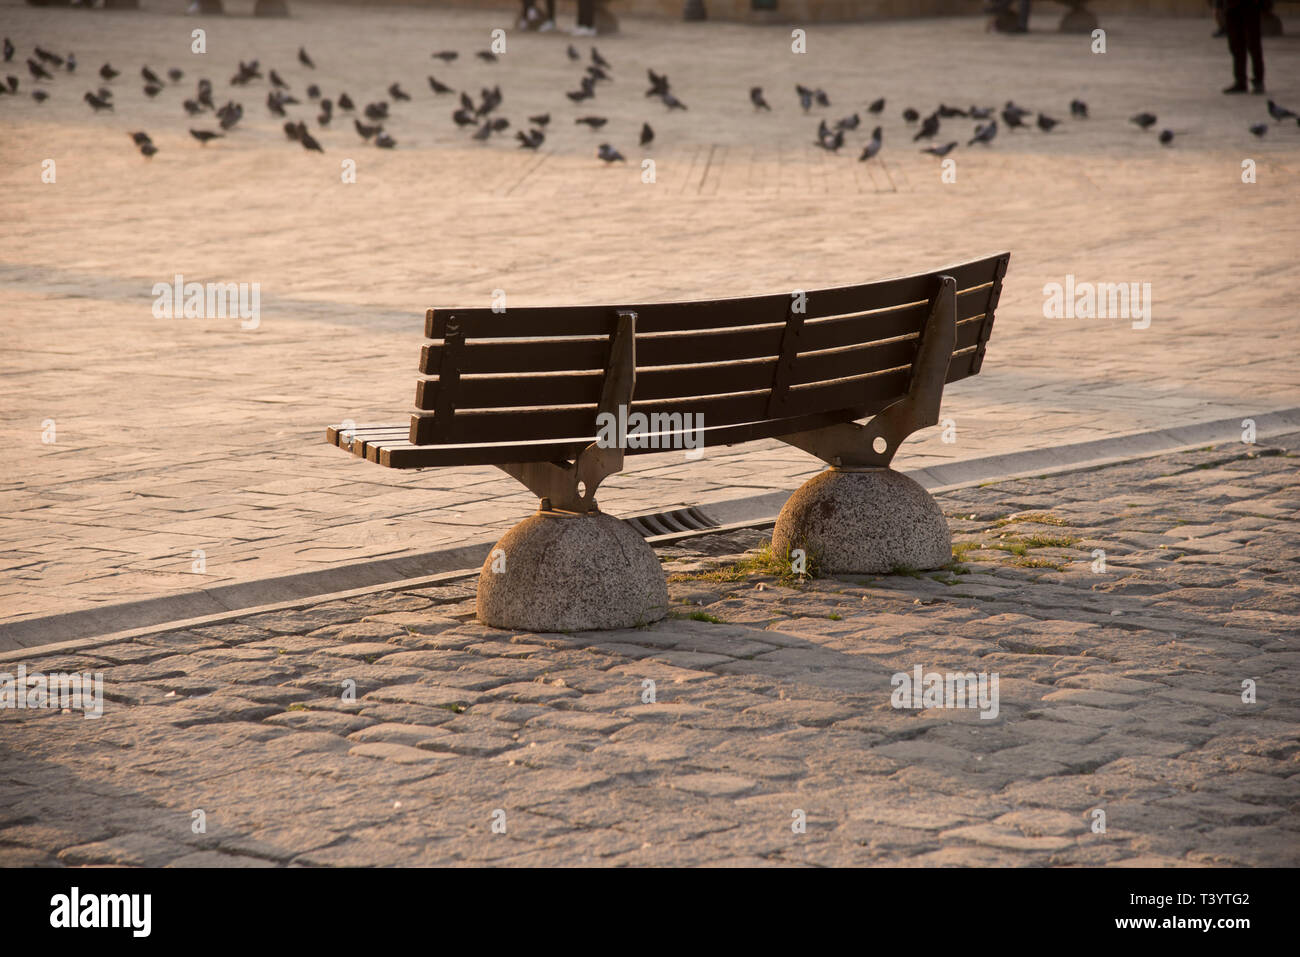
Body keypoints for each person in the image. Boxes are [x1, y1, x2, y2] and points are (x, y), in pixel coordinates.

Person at [1222, 0, 1265, 94]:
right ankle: (1240, 81)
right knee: (1236, 45)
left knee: (1253, 44)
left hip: (1250, 5)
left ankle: (1258, 80)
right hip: (1232, 6)